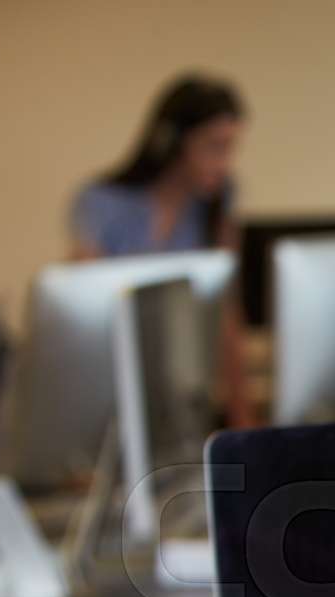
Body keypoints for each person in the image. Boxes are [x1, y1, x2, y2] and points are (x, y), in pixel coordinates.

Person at [70, 73, 253, 425]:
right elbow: (87, 313)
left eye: (231, 148)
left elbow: (227, 313)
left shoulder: (217, 204)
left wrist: (244, 421)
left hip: (183, 391)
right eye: (215, 147)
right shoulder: (102, 203)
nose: (224, 163)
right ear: (171, 142)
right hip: (112, 388)